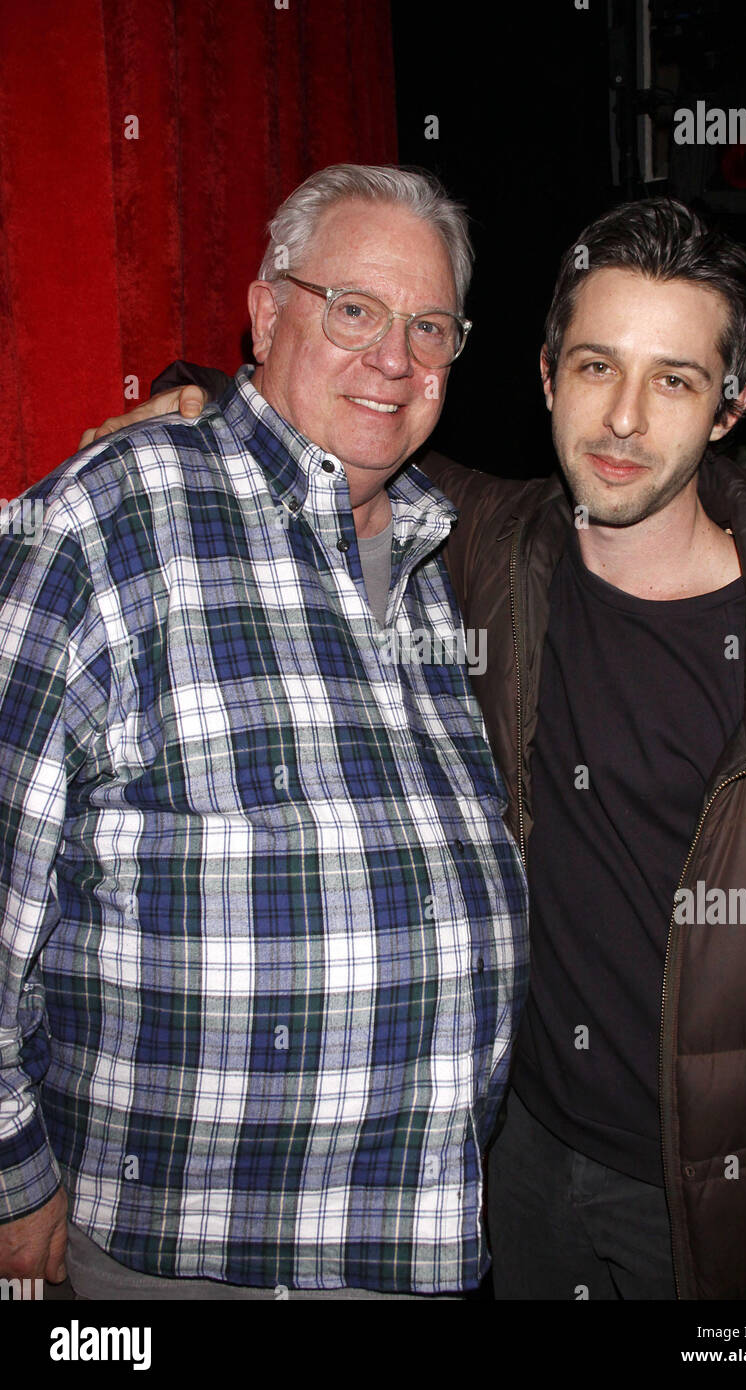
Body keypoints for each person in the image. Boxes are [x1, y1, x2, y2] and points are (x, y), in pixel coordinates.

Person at [115, 194, 746, 1302]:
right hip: (497, 1162)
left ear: (729, 406)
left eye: (672, 379)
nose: (620, 420)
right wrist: (202, 393)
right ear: (545, 374)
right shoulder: (482, 548)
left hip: (697, 1199)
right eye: (596, 366)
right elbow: (334, 435)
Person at [0, 164, 529, 1300]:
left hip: (423, 1251)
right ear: (263, 309)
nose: (394, 357)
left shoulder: (440, 557)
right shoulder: (116, 514)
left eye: (429, 326)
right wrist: (9, 1173)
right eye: (353, 309)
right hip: (192, 1265)